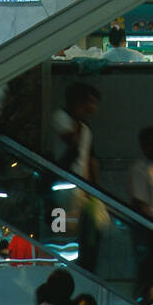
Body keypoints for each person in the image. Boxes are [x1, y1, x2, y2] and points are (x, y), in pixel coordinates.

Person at [51, 82, 102, 269]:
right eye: (88, 102)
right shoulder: (60, 117)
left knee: (84, 235)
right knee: (65, 235)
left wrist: (95, 191)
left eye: (94, 103)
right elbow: (72, 140)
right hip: (63, 188)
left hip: (81, 190)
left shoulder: (86, 128)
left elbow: (90, 160)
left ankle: (82, 269)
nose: (91, 108)